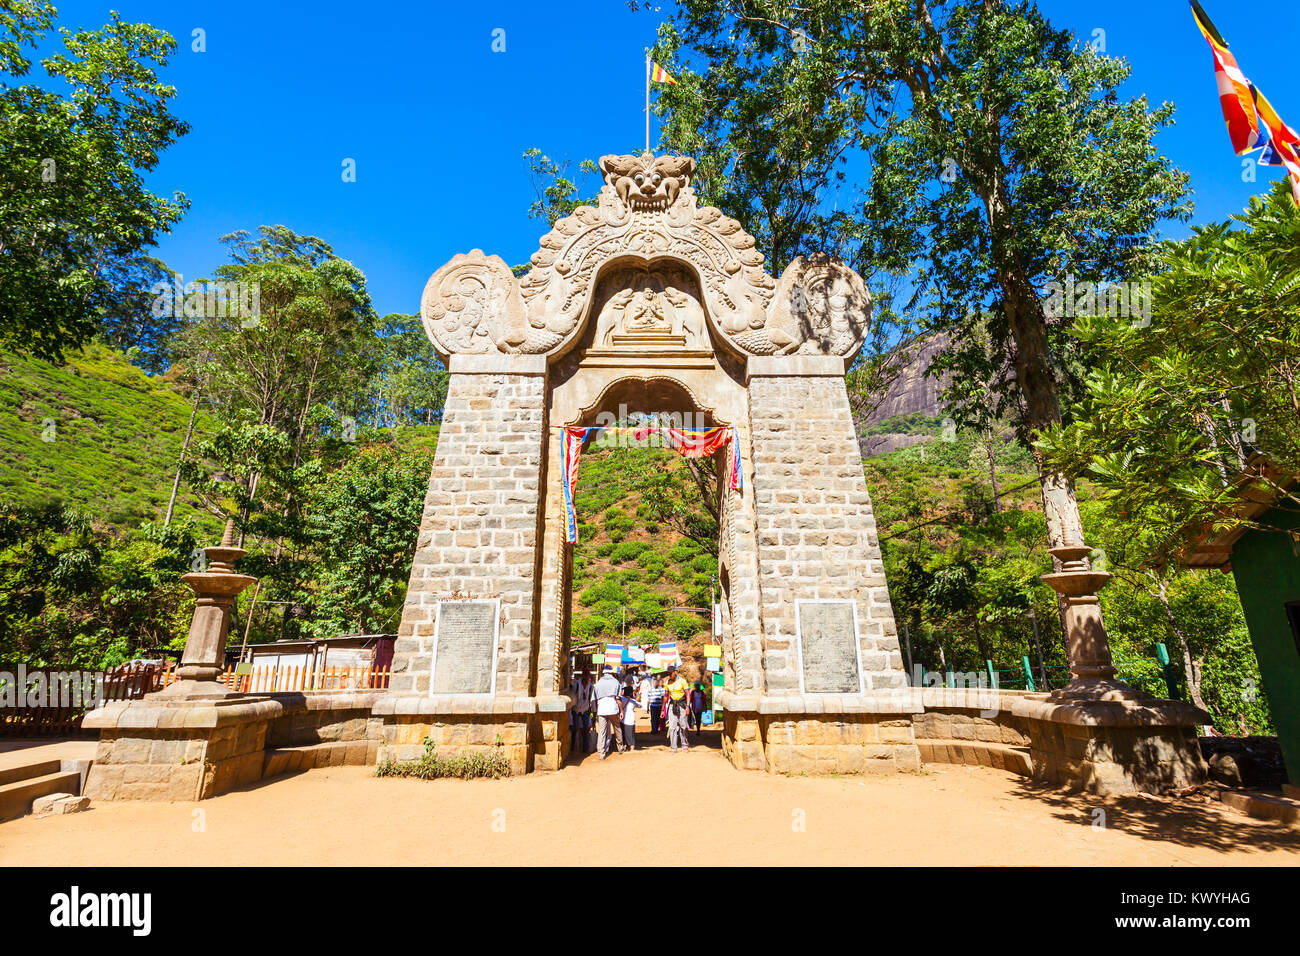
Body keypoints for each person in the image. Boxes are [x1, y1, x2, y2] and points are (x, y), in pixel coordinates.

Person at [592, 665, 624, 759]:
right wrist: (621, 711)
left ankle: (601, 754)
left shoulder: (598, 683)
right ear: (611, 672)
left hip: (601, 709)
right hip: (612, 708)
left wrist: (594, 712)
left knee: (602, 732)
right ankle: (620, 748)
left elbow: (594, 700)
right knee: (617, 728)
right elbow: (618, 699)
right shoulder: (616, 682)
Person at [664, 665, 691, 752]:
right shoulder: (667, 683)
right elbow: (665, 696)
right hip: (672, 706)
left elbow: (687, 694)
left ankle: (684, 744)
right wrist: (662, 709)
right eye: (668, 674)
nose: (669, 675)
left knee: (683, 726)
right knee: (672, 727)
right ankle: (673, 747)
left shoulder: (682, 681)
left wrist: (687, 706)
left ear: (675, 672)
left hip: (682, 705)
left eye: (670, 673)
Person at [572, 669, 594, 753]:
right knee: (575, 728)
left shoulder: (590, 686)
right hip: (577, 709)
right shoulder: (577, 684)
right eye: (585, 675)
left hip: (585, 709)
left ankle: (584, 747)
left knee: (585, 729)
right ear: (582, 675)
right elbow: (573, 696)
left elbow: (591, 699)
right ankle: (573, 746)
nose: (586, 677)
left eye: (587, 675)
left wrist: (591, 710)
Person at [620, 682, 639, 751]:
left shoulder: (621, 699)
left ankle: (624, 747)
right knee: (631, 736)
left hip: (622, 720)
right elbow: (640, 705)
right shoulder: (632, 701)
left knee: (623, 735)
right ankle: (632, 749)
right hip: (630, 721)